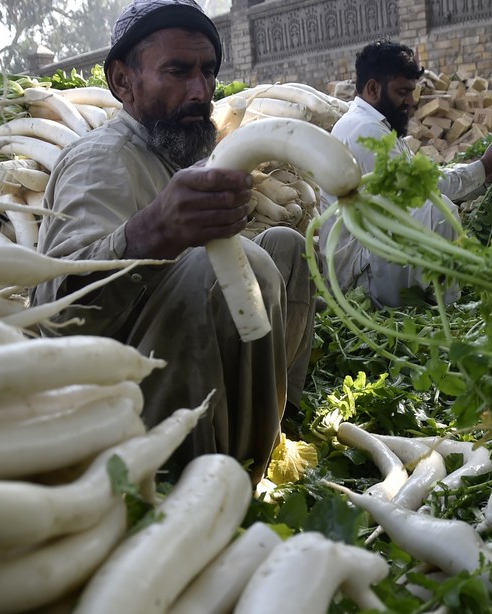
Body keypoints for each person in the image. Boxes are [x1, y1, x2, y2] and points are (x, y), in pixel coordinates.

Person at [31, 0, 318, 484]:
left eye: (207, 72)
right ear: (123, 82)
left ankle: (271, 428)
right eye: (177, 71)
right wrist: (155, 230)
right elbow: (58, 312)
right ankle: (211, 486)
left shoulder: (172, 152)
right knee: (224, 270)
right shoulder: (102, 161)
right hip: (117, 401)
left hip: (179, 357)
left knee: (285, 246)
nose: (200, 90)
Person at [321, 39, 492, 308]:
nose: (411, 101)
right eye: (402, 92)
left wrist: (485, 179)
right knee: (435, 211)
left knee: (436, 207)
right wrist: (485, 166)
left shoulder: (379, 124)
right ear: (372, 88)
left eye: (411, 92)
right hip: (357, 279)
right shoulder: (362, 129)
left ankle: (443, 300)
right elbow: (423, 191)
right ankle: (444, 306)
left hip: (374, 258)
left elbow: (425, 183)